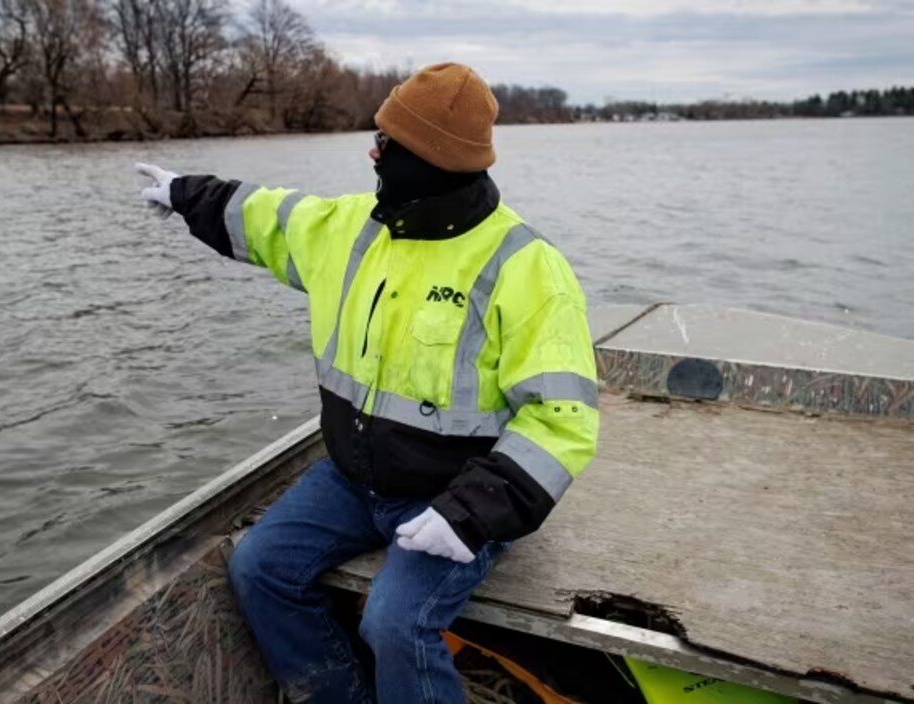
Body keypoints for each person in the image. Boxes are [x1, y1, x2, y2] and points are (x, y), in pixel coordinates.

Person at [136, 62, 599, 704]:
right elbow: (273, 217)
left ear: (428, 158)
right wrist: (187, 192)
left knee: (394, 621)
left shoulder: (527, 267)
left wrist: (467, 516)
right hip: (353, 480)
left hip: (453, 496)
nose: (372, 150)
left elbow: (561, 418)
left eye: (386, 142)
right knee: (258, 568)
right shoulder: (352, 227)